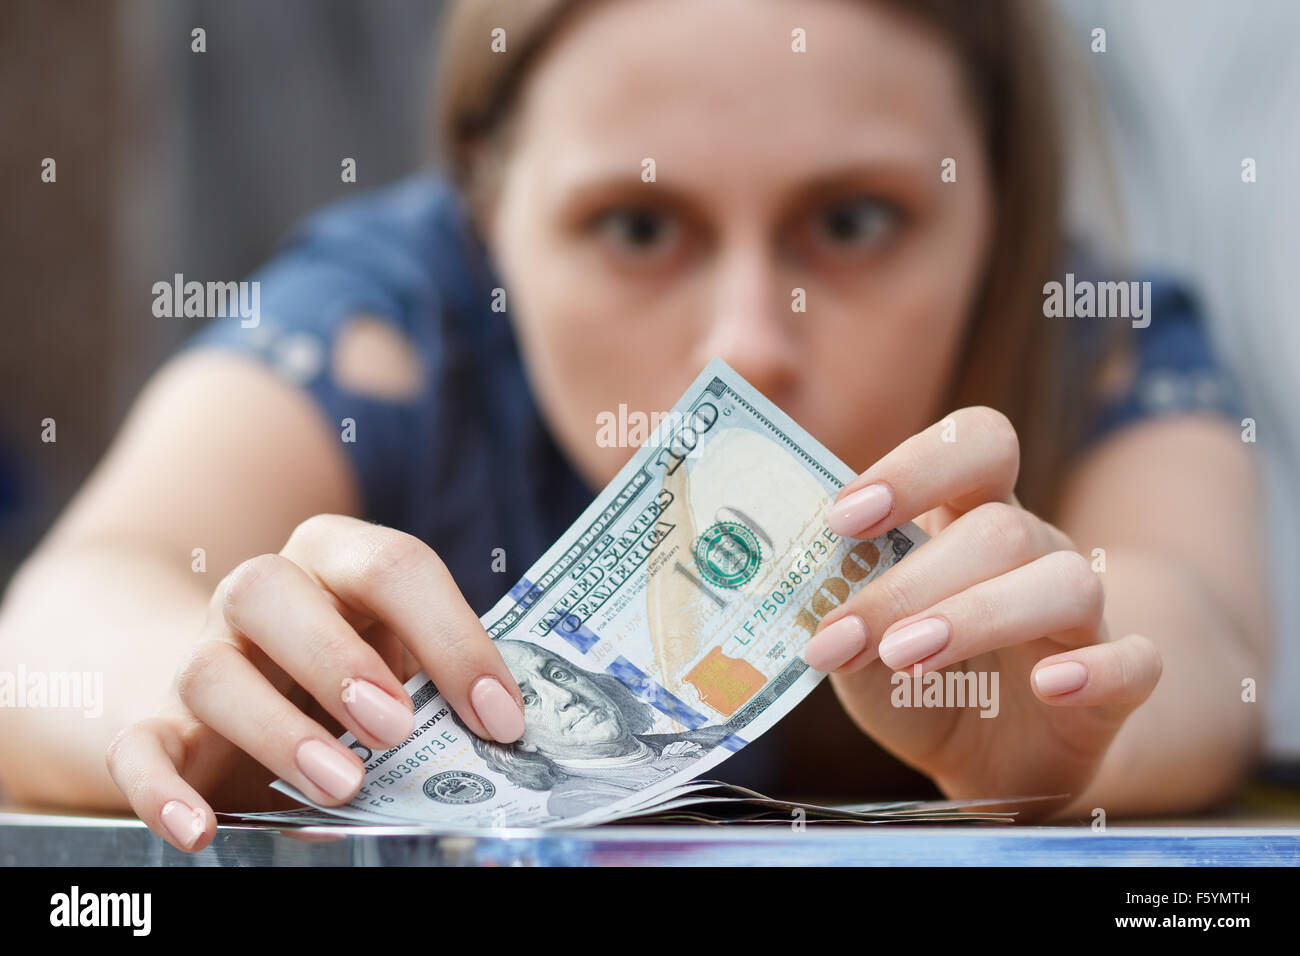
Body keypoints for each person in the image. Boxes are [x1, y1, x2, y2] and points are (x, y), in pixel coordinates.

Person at [0, 0, 1268, 852]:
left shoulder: (1090, 339)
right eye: (641, 228)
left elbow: (1198, 637)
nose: (745, 343)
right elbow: (59, 619)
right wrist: (200, 698)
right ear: (485, 214)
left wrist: (1074, 729)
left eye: (855, 221)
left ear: (996, 206)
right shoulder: (389, 317)